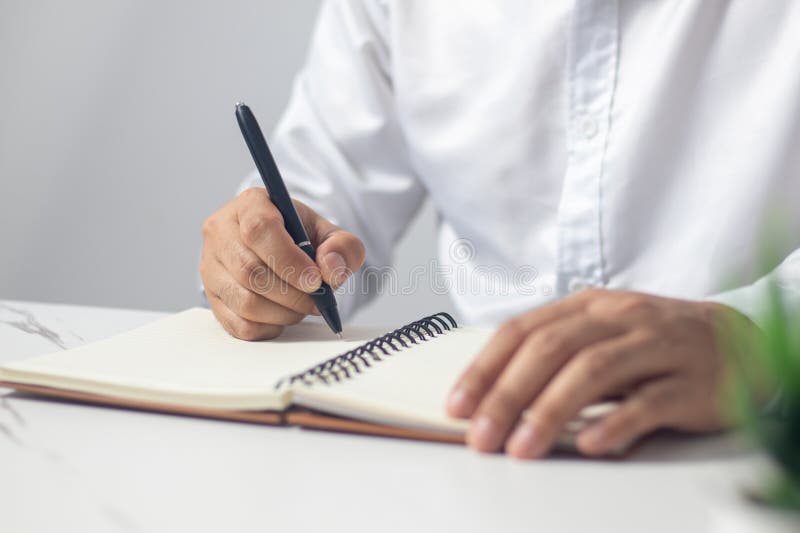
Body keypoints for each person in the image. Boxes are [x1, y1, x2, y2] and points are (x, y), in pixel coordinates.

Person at [199, 1, 799, 459]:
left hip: (752, 447)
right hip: (478, 444)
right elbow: (326, 193)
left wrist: (758, 342)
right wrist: (264, 257)